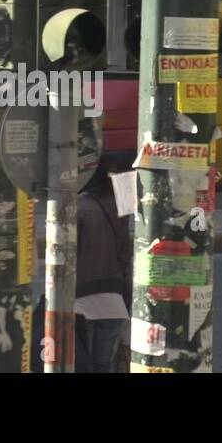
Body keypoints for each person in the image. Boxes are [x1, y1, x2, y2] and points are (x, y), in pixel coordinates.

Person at [75, 158, 134, 373]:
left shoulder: (76, 208)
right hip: (114, 300)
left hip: (81, 301)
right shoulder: (120, 205)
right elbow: (124, 255)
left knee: (83, 363)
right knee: (104, 365)